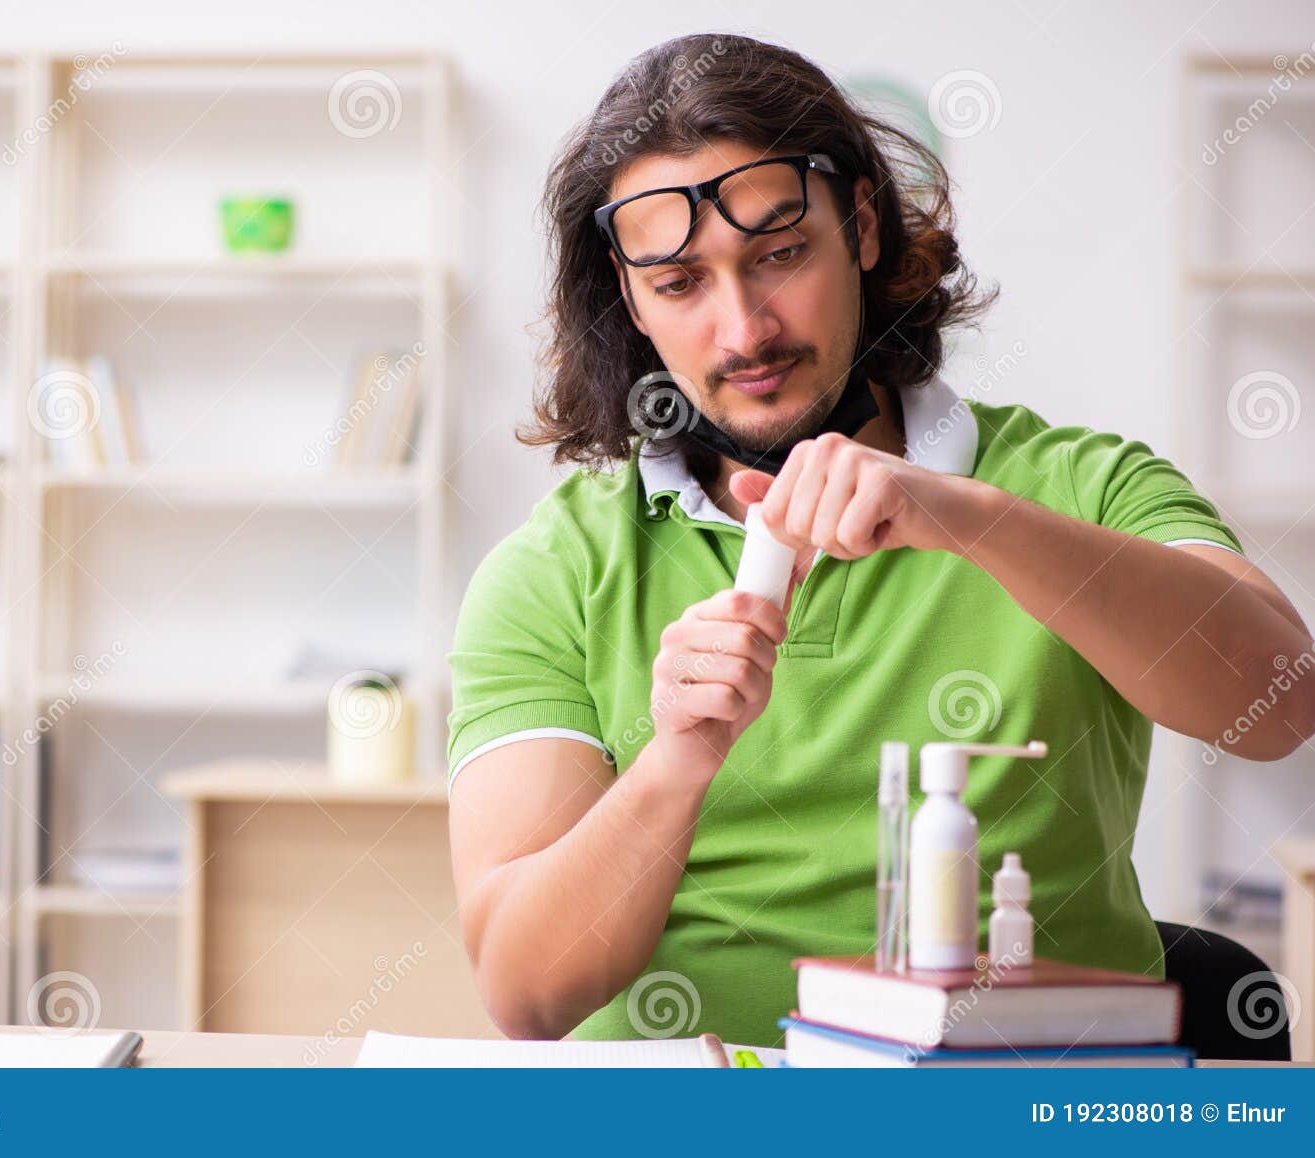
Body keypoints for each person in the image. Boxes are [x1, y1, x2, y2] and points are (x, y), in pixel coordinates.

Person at [445, 32, 1314, 1045]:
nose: (744, 330)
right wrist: (673, 764)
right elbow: (526, 994)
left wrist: (971, 519)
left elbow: (1279, 703)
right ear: (630, 297)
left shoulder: (1074, 486)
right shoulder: (553, 570)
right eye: (680, 283)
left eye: (778, 254)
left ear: (859, 225)